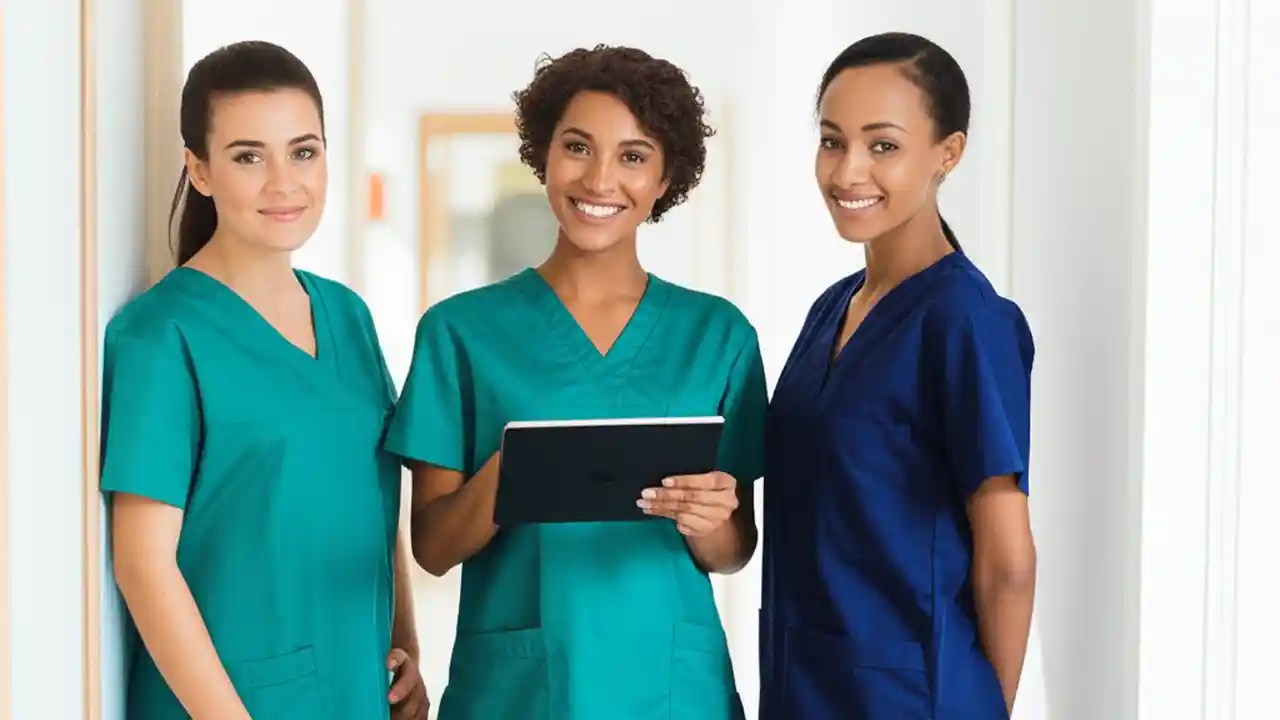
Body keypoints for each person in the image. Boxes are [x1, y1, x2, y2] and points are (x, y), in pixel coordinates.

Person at [384, 45, 765, 719]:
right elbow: (433, 548)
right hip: (522, 690)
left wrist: (708, 520)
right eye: (578, 147)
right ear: (542, 154)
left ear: (664, 176)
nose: (599, 180)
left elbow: (735, 549)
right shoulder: (461, 332)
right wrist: (510, 476)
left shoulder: (718, 336)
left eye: (633, 156)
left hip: (672, 689)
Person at [100, 41, 428, 719]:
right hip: (227, 701)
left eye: (303, 151)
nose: (285, 183)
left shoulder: (347, 315)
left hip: (353, 689)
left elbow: (371, 494)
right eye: (250, 156)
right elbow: (143, 564)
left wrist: (405, 646)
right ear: (201, 168)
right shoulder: (162, 335)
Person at [758, 32, 1038, 719]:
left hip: (910, 695)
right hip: (802, 680)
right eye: (832, 141)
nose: (849, 171)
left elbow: (1009, 562)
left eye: (883, 145)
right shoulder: (832, 309)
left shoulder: (965, 320)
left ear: (949, 152)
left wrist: (977, 707)